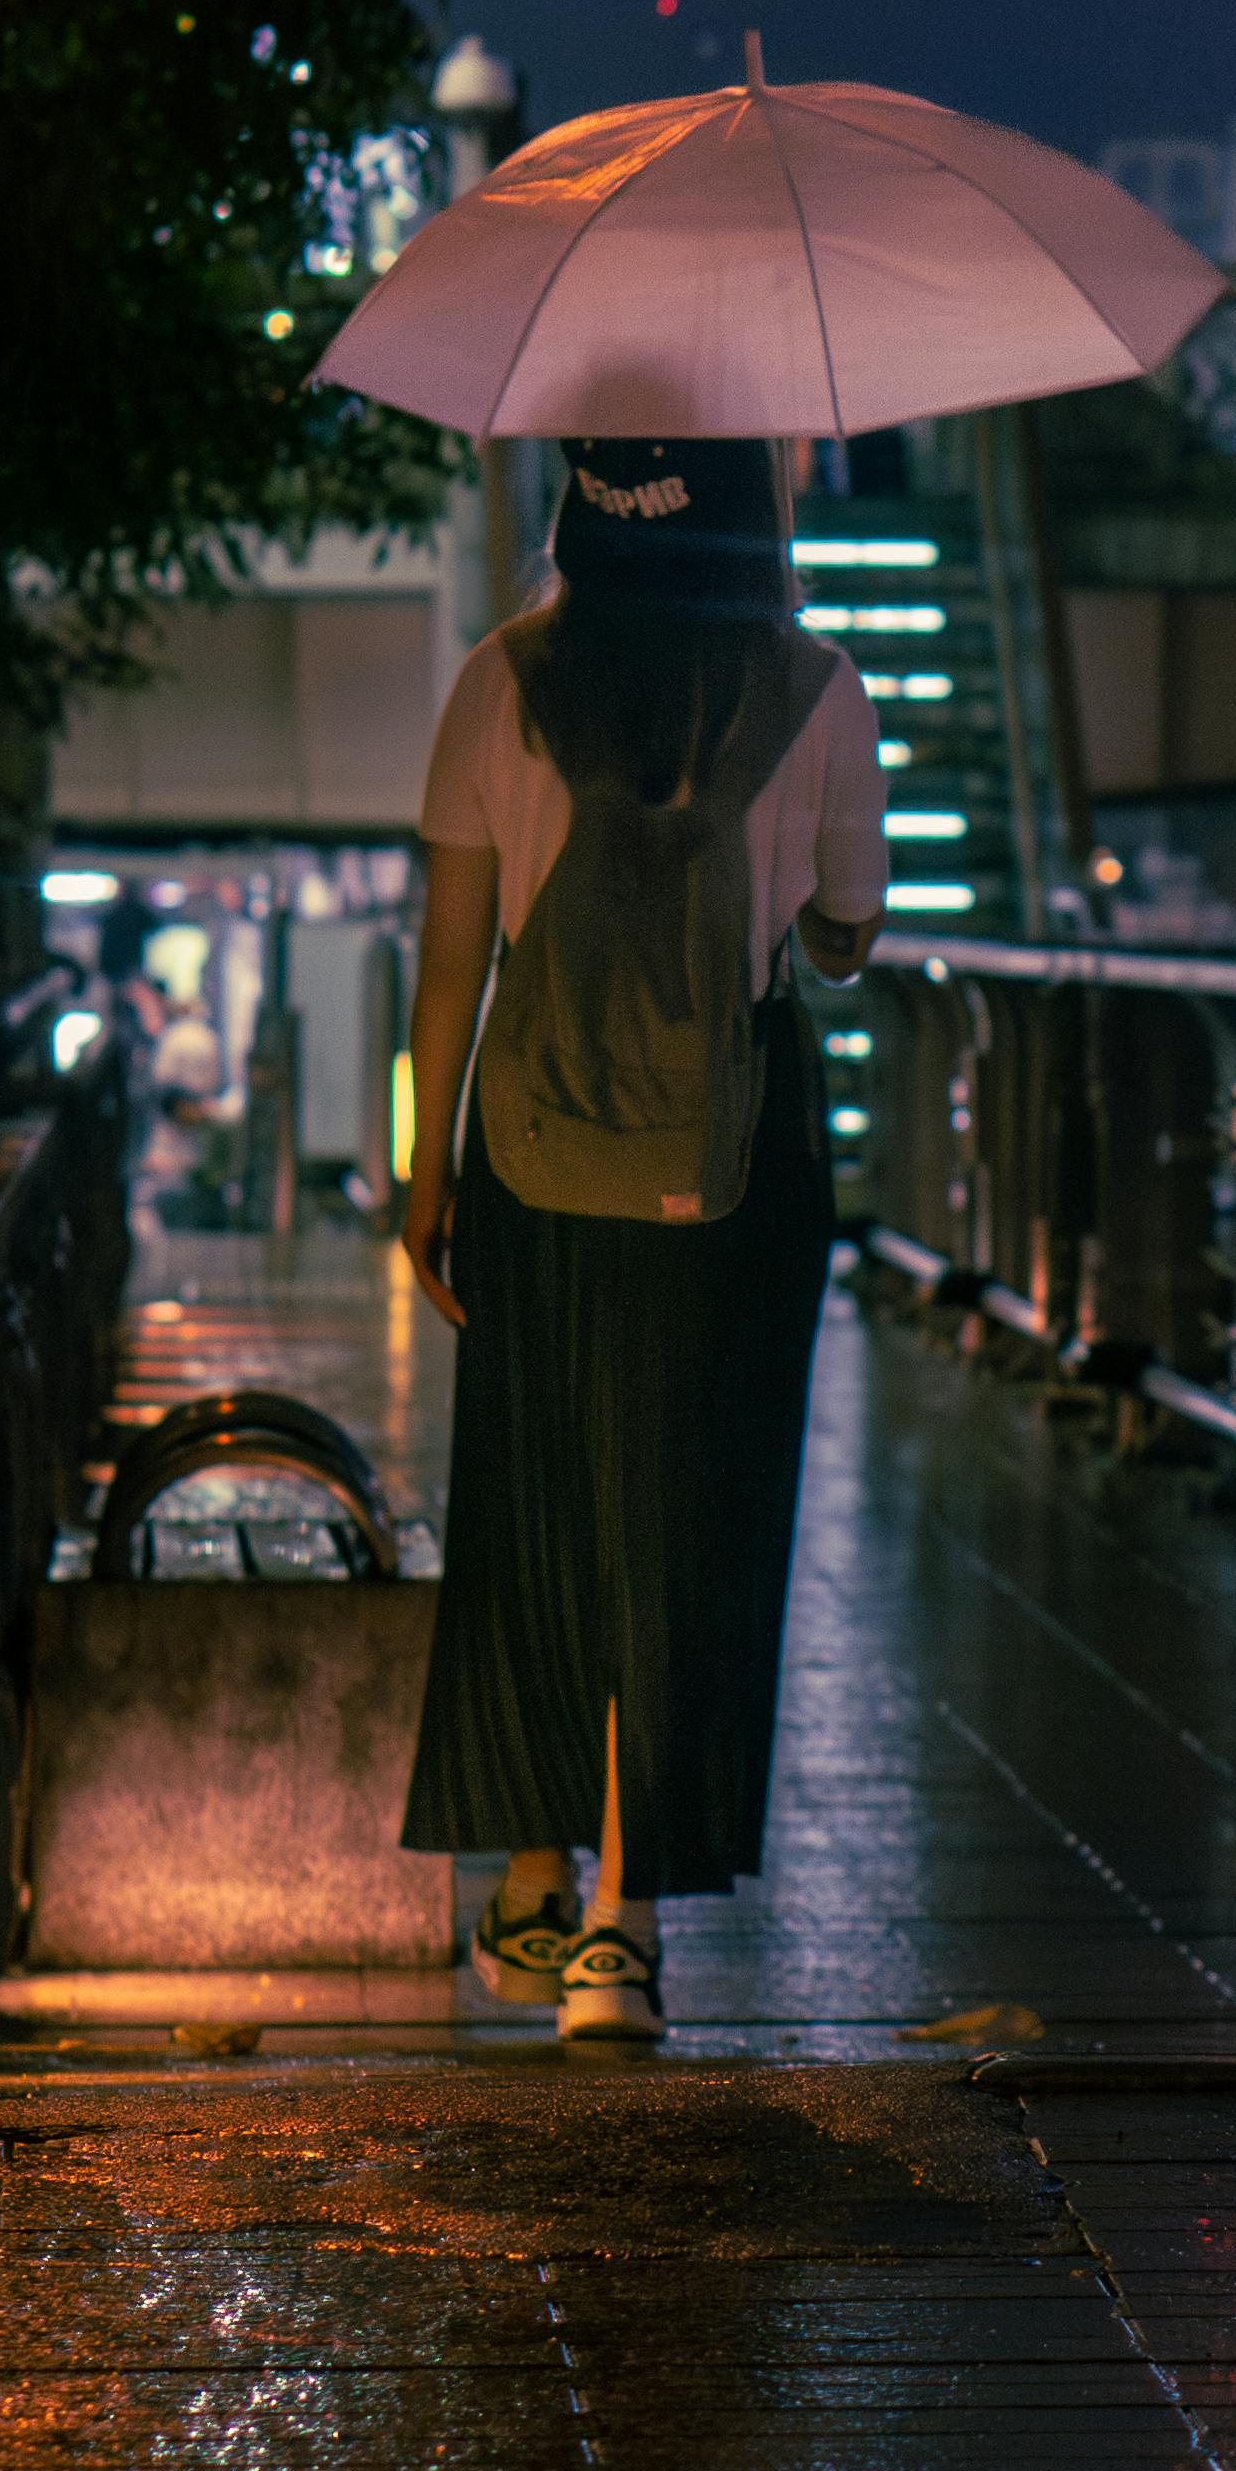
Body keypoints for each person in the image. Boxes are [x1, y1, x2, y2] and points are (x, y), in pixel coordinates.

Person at [398, 430, 887, 2037]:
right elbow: (846, 939)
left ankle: (534, 1872)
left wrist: (423, 1173)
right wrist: (809, 909)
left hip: (528, 1150)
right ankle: (627, 1926)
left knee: (538, 1503)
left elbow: (452, 958)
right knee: (687, 1517)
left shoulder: (501, 677)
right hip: (731, 1158)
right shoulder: (816, 688)